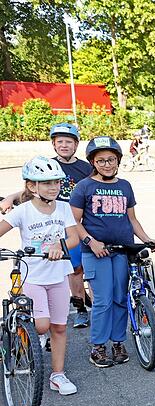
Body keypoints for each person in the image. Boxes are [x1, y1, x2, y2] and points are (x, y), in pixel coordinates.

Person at [70, 137, 155, 368]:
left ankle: (118, 342)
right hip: (96, 252)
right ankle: (98, 346)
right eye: (101, 161)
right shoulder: (84, 187)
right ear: (92, 162)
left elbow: (132, 219)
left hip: (122, 251)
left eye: (111, 159)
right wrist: (91, 242)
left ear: (118, 160)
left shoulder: (124, 186)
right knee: (103, 301)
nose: (107, 164)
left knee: (121, 298)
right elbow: (74, 222)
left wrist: (147, 239)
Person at [0, 157, 81, 395]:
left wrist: (60, 244)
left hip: (58, 275)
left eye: (56, 182)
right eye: (46, 183)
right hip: (32, 275)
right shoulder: (23, 211)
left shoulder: (64, 207)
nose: (53, 187)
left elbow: (74, 238)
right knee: (42, 326)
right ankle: (25, 333)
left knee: (59, 327)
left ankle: (58, 374)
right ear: (32, 187)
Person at [0, 123, 93, 328]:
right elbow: (28, 191)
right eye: (59, 141)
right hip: (56, 225)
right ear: (53, 144)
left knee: (86, 267)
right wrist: (10, 198)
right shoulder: (48, 166)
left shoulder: (86, 168)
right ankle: (79, 309)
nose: (64, 145)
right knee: (74, 269)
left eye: (68, 141)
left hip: (79, 222)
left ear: (76, 144)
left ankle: (91, 303)